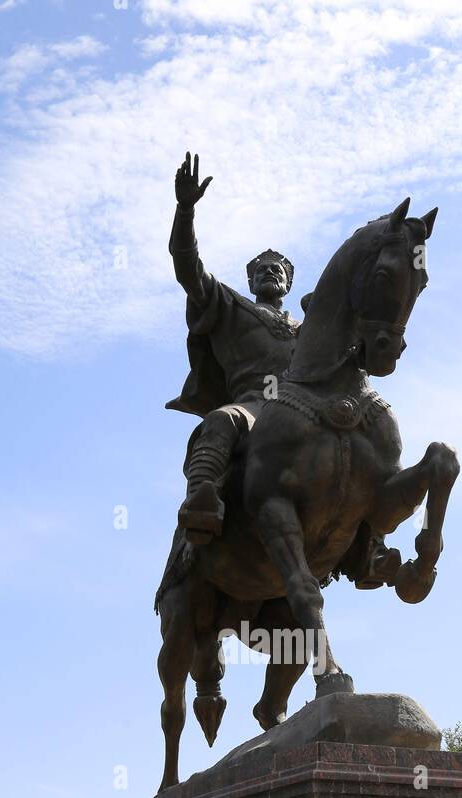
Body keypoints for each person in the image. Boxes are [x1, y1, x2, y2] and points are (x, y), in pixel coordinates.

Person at [167, 152, 300, 543]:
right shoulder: (230, 306)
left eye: (278, 269)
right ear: (250, 281)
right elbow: (186, 266)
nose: (270, 271)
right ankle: (202, 500)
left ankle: (371, 545)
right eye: (261, 269)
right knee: (222, 419)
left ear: (288, 284)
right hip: (253, 405)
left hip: (305, 407)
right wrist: (185, 210)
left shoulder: (307, 328)